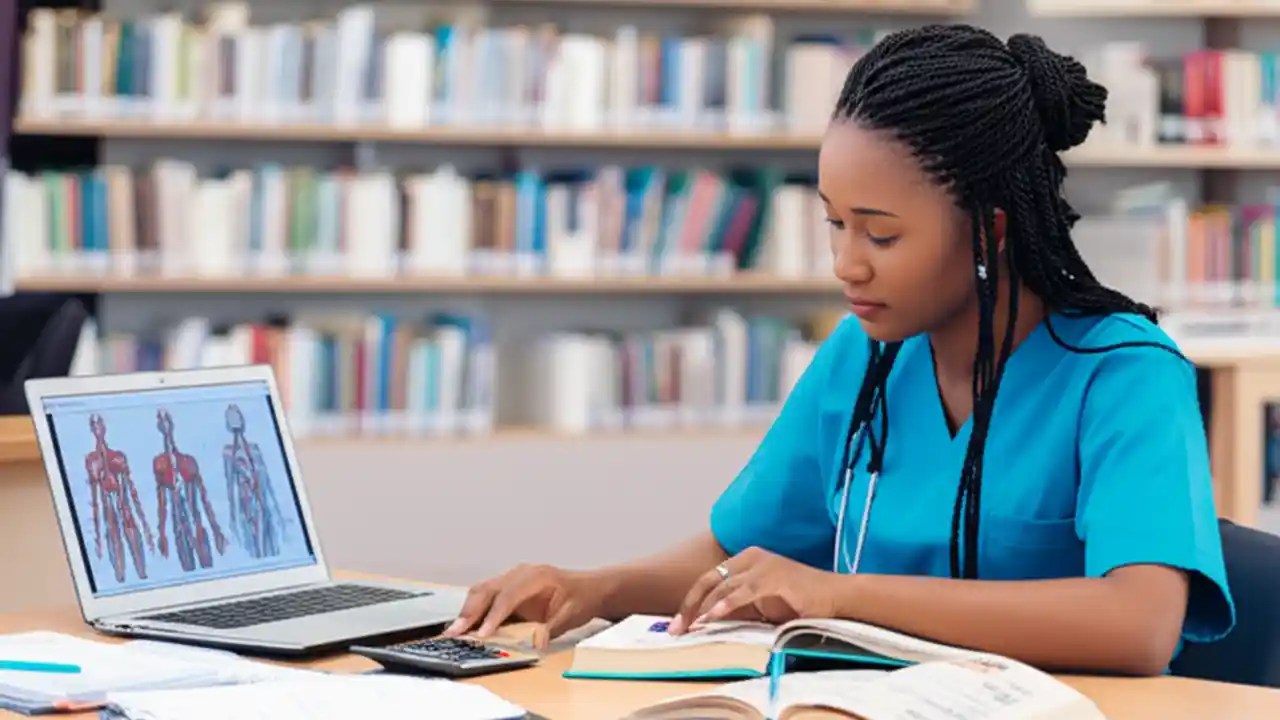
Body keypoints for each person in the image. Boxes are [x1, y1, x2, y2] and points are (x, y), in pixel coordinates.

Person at [443, 24, 1235, 676]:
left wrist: (841, 596)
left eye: (881, 233)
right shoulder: (862, 357)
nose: (846, 263)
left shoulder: (1123, 373)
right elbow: (736, 558)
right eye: (834, 222)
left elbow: (1138, 626)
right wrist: (592, 587)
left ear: (990, 227)